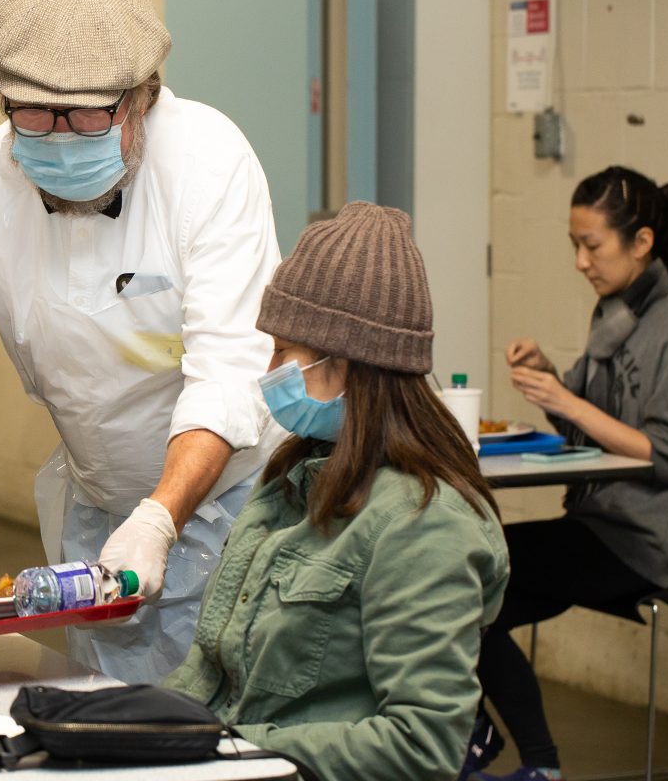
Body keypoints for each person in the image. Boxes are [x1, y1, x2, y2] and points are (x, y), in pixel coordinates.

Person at [0, 0, 285, 683]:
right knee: (108, 716)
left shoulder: (209, 162)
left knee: (233, 721)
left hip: (233, 498)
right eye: (31, 113)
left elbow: (227, 375)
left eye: (87, 118)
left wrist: (158, 520)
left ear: (143, 98)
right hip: (98, 503)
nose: (58, 137)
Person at [163, 202, 510, 781]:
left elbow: (421, 746)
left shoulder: (425, 524)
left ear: (345, 362)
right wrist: (129, 734)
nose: (268, 368)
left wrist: (226, 755)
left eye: (281, 351)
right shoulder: (292, 478)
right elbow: (211, 672)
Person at [469, 166, 668, 781]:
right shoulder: (615, 317)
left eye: (593, 245)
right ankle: (498, 745)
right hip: (602, 524)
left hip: (650, 541)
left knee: (464, 580)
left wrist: (567, 401)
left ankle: (534, 760)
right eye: (574, 245)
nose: (581, 260)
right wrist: (550, 379)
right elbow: (591, 430)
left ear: (641, 243)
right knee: (468, 584)